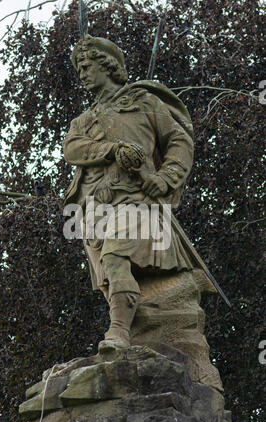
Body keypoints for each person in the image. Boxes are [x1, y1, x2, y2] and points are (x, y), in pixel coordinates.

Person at [63, 35, 195, 351]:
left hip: (137, 199)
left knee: (114, 256)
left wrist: (166, 178)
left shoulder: (145, 103)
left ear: (108, 66)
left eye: (86, 66)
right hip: (95, 206)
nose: (82, 74)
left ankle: (119, 332)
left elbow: (179, 141)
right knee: (109, 271)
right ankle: (130, 327)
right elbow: (73, 149)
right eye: (79, 68)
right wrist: (113, 149)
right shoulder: (82, 121)